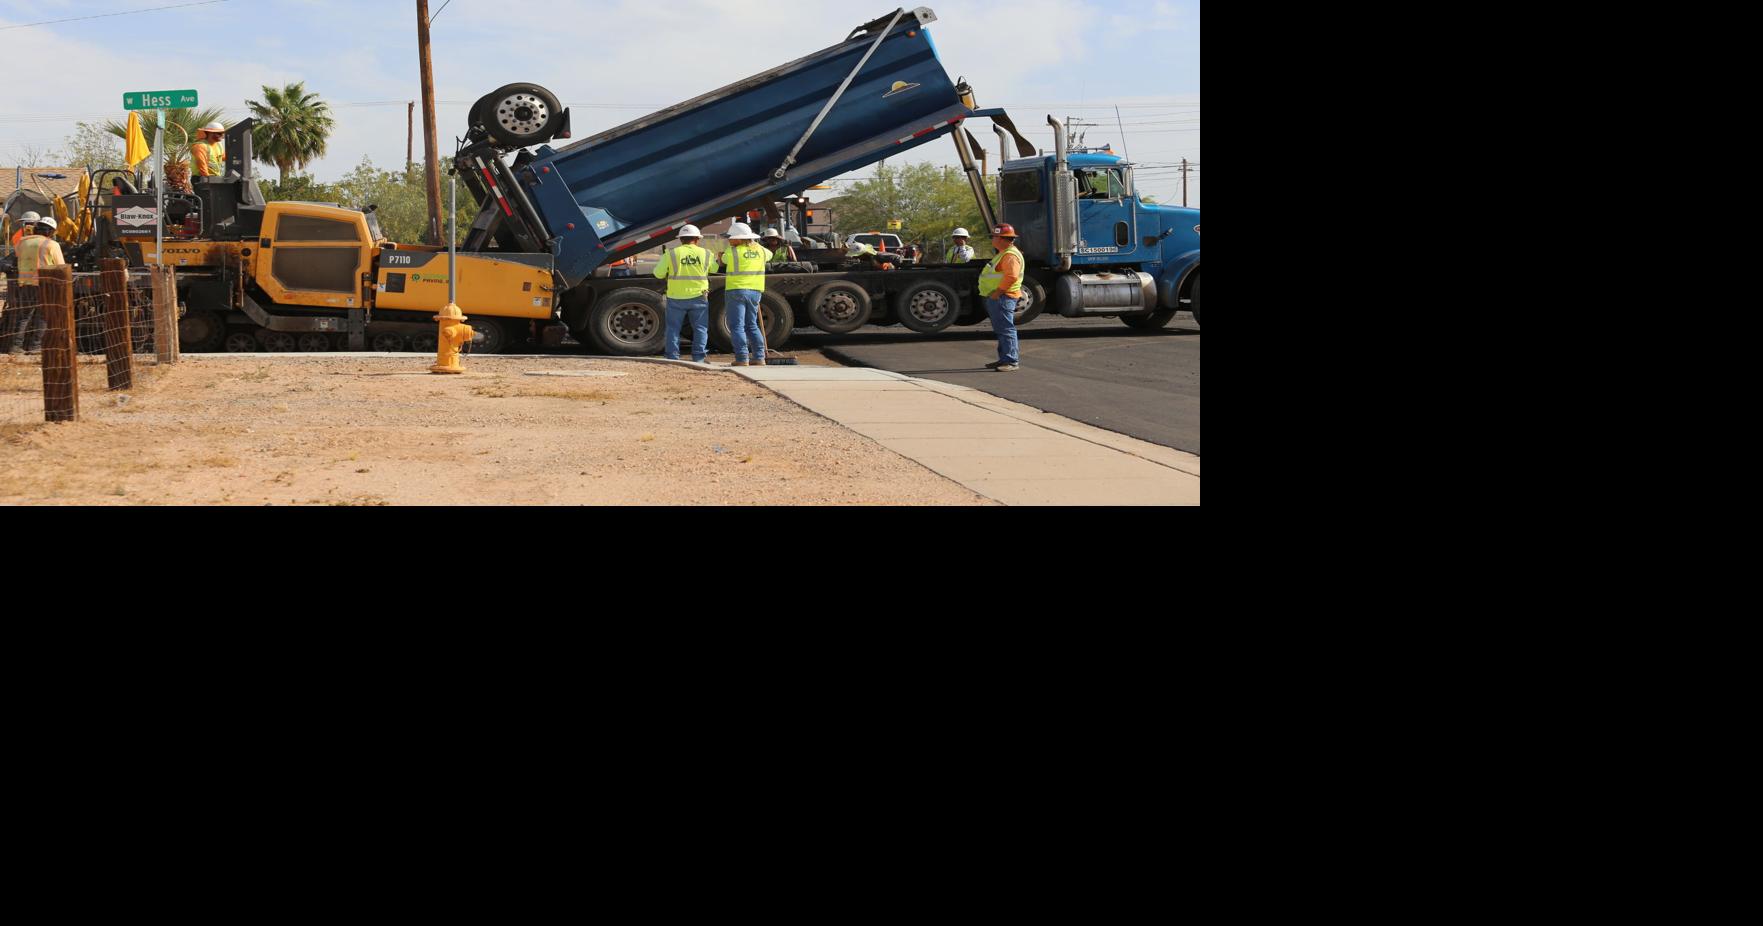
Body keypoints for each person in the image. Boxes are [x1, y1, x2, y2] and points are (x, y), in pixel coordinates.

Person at [653, 224, 711, 362]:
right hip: (699, 296)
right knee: (700, 328)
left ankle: (672, 357)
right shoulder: (707, 253)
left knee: (673, 328)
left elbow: (658, 274)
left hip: (676, 297)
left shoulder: (671, 253)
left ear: (681, 239)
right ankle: (699, 358)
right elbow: (713, 267)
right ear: (697, 239)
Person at [10, 216, 65, 353]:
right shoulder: (52, 245)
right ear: (51, 232)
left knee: (23, 316)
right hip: (45, 284)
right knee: (43, 316)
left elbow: (17, 255)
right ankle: (36, 346)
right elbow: (61, 266)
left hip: (25, 283)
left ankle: (16, 346)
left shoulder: (22, 242)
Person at [719, 223, 769, 367]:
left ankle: (742, 358)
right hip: (755, 291)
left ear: (738, 239)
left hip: (736, 291)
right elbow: (770, 255)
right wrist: (754, 244)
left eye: (731, 238)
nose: (729, 240)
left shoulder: (732, 251)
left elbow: (723, 261)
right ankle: (759, 357)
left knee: (737, 326)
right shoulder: (760, 250)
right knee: (752, 325)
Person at [978, 224, 1024, 372]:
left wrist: (998, 292)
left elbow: (1011, 276)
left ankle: (1011, 361)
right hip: (1001, 296)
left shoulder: (1009, 255)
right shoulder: (1004, 253)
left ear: (1003, 239)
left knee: (1005, 328)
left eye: (994, 237)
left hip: (1003, 296)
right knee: (1002, 329)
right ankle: (1004, 359)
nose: (992, 240)